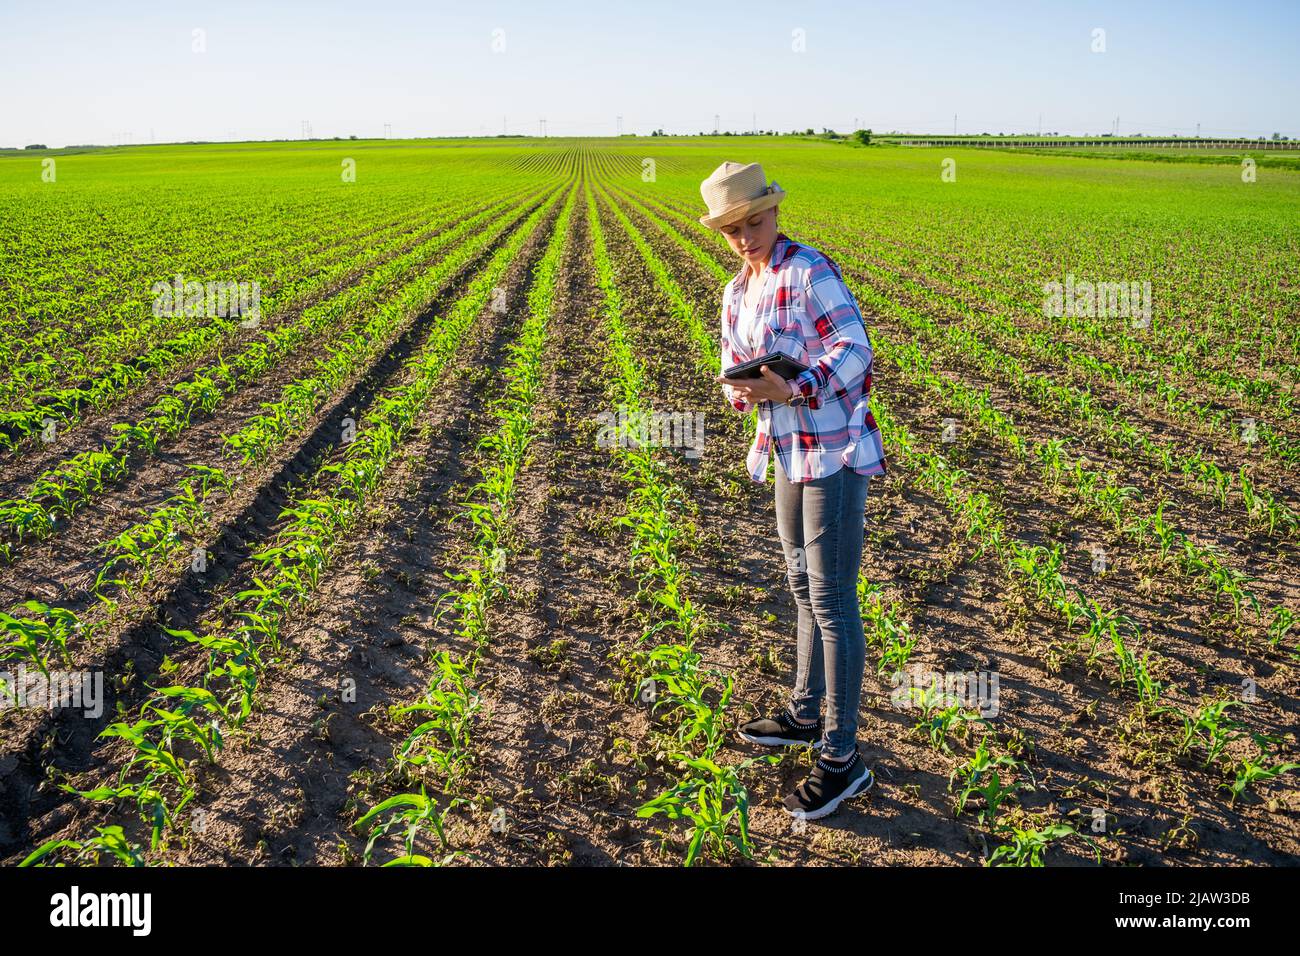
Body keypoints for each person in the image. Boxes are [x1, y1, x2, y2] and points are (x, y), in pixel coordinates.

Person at [702, 161, 887, 821]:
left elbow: (856, 348)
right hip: (784, 451)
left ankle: (843, 759)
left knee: (833, 598)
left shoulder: (810, 272)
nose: (747, 237)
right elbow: (732, 365)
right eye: (733, 229)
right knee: (803, 585)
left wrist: (796, 385)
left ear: (775, 212)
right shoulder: (736, 292)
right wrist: (741, 390)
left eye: (755, 221)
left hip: (832, 450)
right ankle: (806, 714)